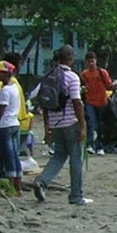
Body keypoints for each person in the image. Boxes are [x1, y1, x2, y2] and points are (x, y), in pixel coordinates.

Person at [32, 45, 87, 206]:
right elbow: (77, 102)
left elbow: (44, 103)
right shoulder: (72, 77)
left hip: (55, 123)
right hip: (71, 122)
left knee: (59, 155)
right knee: (76, 158)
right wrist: (82, 125)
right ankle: (76, 195)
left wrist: (47, 128)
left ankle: (42, 181)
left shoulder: (49, 76)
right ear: (71, 58)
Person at [0, 60, 26, 195]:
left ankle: (11, 187)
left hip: (4, 126)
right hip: (14, 123)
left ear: (5, 74)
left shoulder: (5, 91)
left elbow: (0, 111)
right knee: (14, 156)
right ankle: (18, 186)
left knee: (8, 157)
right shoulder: (14, 88)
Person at [79, 53, 115, 155]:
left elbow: (109, 85)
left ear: (96, 61)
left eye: (92, 61)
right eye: (89, 61)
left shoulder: (102, 72)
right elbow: (81, 86)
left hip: (102, 102)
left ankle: (99, 146)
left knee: (100, 125)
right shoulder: (84, 74)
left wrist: (115, 85)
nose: (91, 63)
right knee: (90, 123)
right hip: (90, 102)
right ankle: (90, 145)